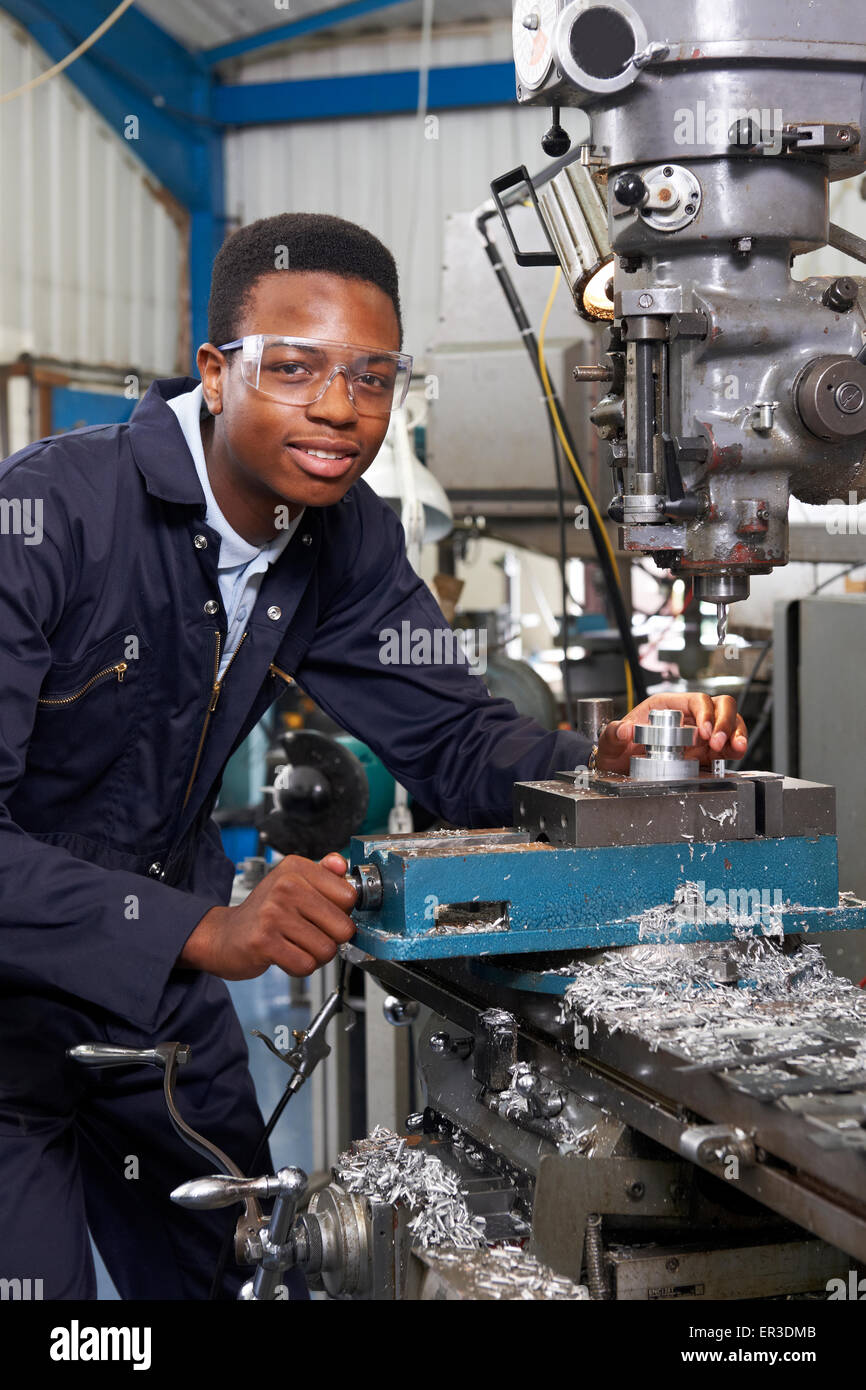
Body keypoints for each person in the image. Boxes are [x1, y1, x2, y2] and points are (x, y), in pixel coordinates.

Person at [0, 212, 747, 1301]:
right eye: (294, 369)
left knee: (244, 1273)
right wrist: (204, 927)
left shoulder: (341, 533)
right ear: (216, 372)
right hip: (18, 1002)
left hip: (162, 1005)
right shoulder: (48, 517)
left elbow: (451, 735)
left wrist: (609, 760)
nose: (340, 410)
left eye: (371, 375)